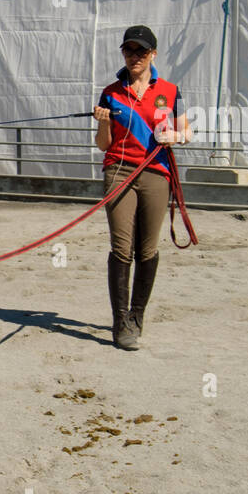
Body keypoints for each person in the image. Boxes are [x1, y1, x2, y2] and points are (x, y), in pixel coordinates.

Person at [92, 25, 190, 351]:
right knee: (122, 247)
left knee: (147, 249)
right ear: (123, 53)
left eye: (141, 51)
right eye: (129, 50)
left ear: (153, 54)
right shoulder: (111, 92)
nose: (135, 56)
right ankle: (121, 323)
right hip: (119, 172)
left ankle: (137, 316)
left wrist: (172, 137)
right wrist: (104, 121)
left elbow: (186, 131)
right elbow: (102, 144)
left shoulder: (170, 91)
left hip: (155, 173)